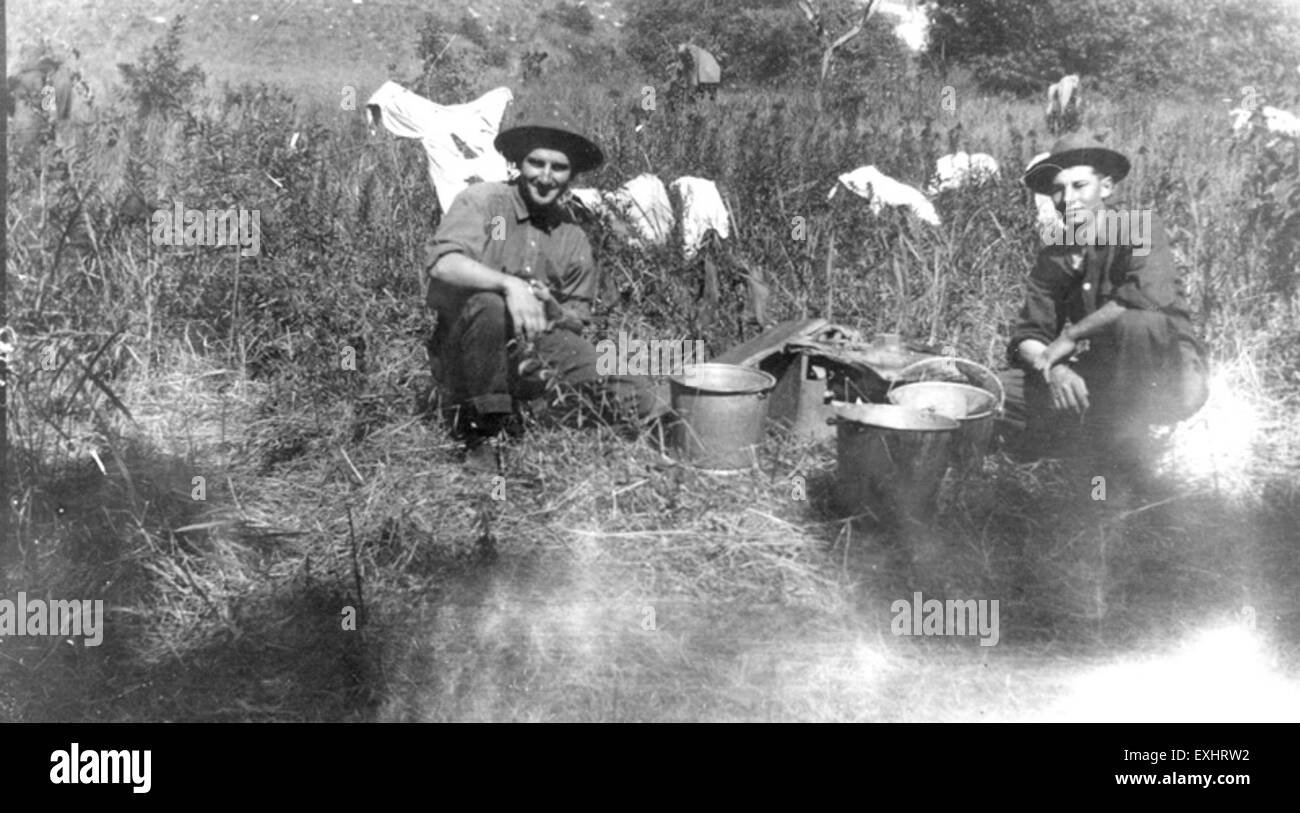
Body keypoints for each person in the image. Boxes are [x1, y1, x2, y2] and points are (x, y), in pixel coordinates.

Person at [423, 111, 668, 467]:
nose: (546, 176)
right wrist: (509, 285)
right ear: (518, 164)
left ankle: (540, 411)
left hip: (538, 346)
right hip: (465, 346)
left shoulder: (572, 235)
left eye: (559, 168)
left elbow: (577, 321)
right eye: (536, 163)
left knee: (633, 390)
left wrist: (554, 309)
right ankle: (483, 435)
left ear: (571, 177)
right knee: (489, 305)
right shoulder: (484, 202)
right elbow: (443, 264)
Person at [999, 133, 1209, 472]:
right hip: (1104, 372)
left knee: (1137, 322)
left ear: (1107, 188)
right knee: (995, 390)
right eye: (1057, 189)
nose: (1067, 199)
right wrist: (1057, 370)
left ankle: (1127, 452)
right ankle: (1096, 430)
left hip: (1165, 375)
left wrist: (1070, 337)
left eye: (1079, 185)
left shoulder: (1139, 226)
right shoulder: (1056, 252)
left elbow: (1146, 298)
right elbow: (1028, 336)